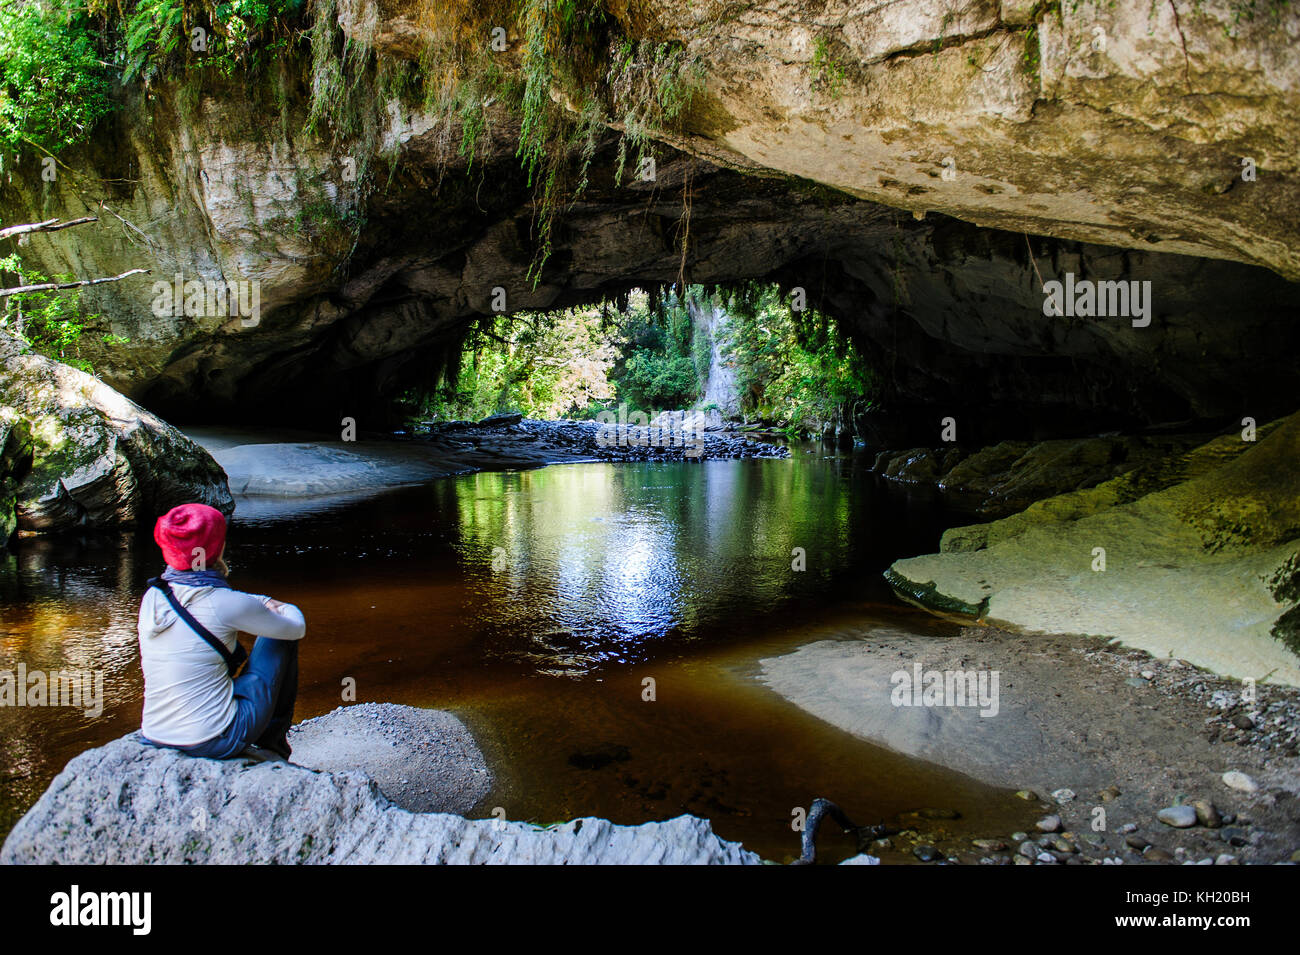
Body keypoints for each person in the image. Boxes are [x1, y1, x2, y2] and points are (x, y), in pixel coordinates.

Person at [138, 502, 306, 761]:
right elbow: (297, 627)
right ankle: (273, 748)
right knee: (280, 636)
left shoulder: (153, 596)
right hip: (214, 740)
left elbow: (217, 605)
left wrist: (256, 600)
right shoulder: (224, 603)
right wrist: (281, 605)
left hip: (155, 732)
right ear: (216, 547)